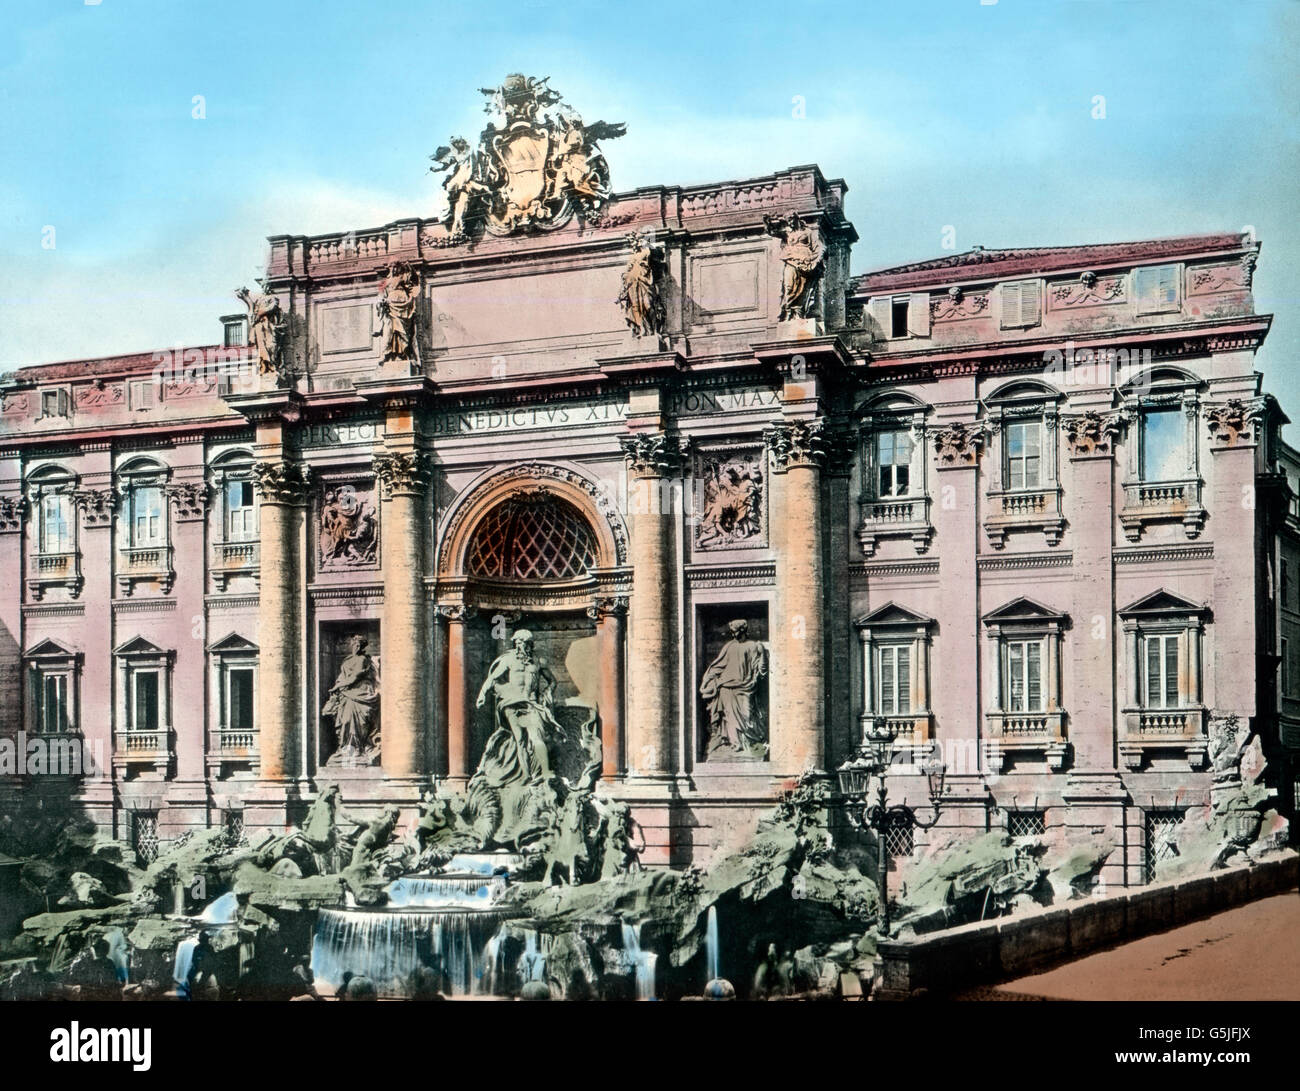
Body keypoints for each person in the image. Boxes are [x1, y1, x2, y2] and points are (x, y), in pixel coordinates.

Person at [700, 620, 769, 758]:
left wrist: (762, 655)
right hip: (727, 687)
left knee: (748, 717)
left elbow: (761, 671)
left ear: (743, 630)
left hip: (746, 687)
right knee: (729, 718)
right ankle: (735, 746)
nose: (733, 634)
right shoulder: (729, 646)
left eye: (735, 631)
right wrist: (709, 679)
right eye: (731, 632)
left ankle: (753, 749)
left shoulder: (754, 646)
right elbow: (718, 665)